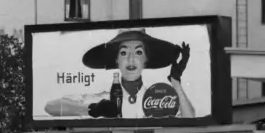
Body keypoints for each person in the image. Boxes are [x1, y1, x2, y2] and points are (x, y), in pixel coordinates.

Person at [42, 29, 196, 120]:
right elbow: (50, 107)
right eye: (123, 52)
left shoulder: (157, 99)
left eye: (138, 52)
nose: (130, 59)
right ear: (116, 60)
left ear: (146, 60)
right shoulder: (102, 99)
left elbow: (190, 120)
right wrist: (92, 109)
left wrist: (176, 82)